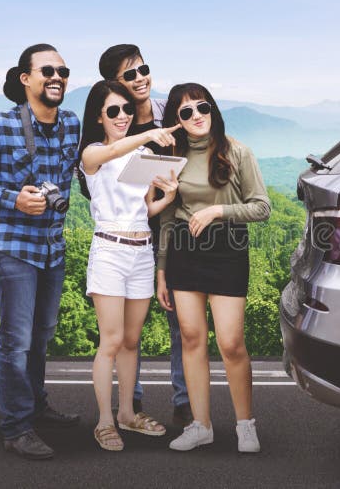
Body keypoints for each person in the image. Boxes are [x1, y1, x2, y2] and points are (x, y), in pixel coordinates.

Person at [0, 43, 80, 460]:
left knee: (41, 336)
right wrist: (11, 198)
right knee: (15, 340)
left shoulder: (72, 125)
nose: (57, 77)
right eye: (47, 70)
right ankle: (15, 427)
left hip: (52, 247)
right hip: (12, 248)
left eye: (62, 70)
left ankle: (35, 407)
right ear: (25, 78)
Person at [156, 83, 271, 453]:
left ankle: (245, 424)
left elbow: (261, 207)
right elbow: (170, 217)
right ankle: (200, 425)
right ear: (177, 121)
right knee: (191, 339)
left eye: (201, 107)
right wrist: (161, 269)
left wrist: (217, 210)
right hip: (184, 255)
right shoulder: (173, 156)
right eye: (185, 113)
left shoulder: (237, 152)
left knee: (231, 343)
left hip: (227, 251)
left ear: (212, 109)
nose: (196, 117)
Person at [78, 80, 180, 451]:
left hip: (142, 251)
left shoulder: (140, 158)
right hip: (108, 251)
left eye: (125, 109)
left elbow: (143, 210)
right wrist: (148, 134)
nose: (122, 116)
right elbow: (110, 152)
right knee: (112, 340)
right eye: (113, 111)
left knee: (132, 341)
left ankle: (126, 414)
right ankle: (104, 421)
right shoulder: (92, 154)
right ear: (99, 117)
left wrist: (166, 197)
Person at [96, 44, 192, 426]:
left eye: (142, 70)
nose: (140, 79)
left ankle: (184, 400)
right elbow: (94, 182)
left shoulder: (173, 110)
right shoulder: (114, 123)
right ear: (113, 85)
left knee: (181, 320)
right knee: (123, 333)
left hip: (176, 229)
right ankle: (129, 403)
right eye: (129, 75)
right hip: (130, 236)